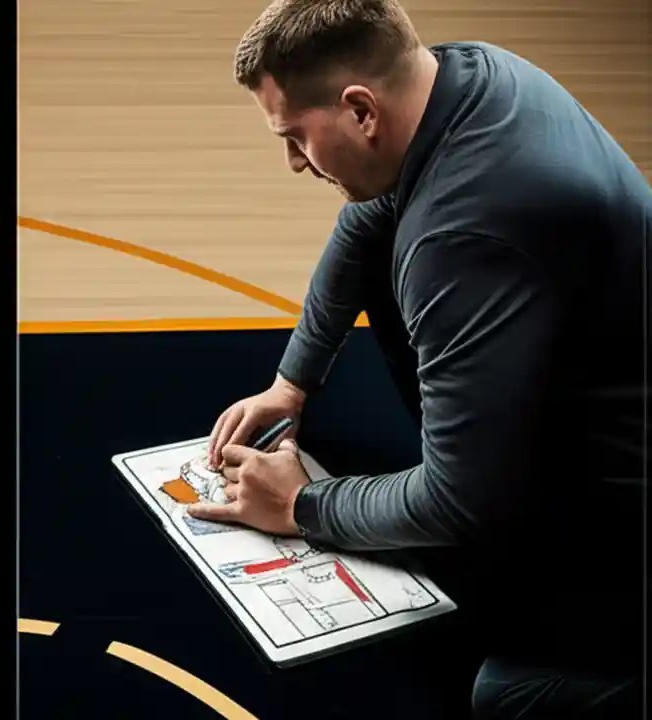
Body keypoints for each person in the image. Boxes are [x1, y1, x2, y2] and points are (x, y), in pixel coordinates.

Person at [187, 1, 648, 718]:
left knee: (510, 695)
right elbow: (363, 221)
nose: (294, 162)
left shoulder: (460, 238)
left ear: (360, 110)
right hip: (602, 358)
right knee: (384, 232)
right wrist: (290, 384)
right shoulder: (474, 73)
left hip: (625, 515)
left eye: (296, 136)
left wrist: (300, 505)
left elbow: (460, 501)